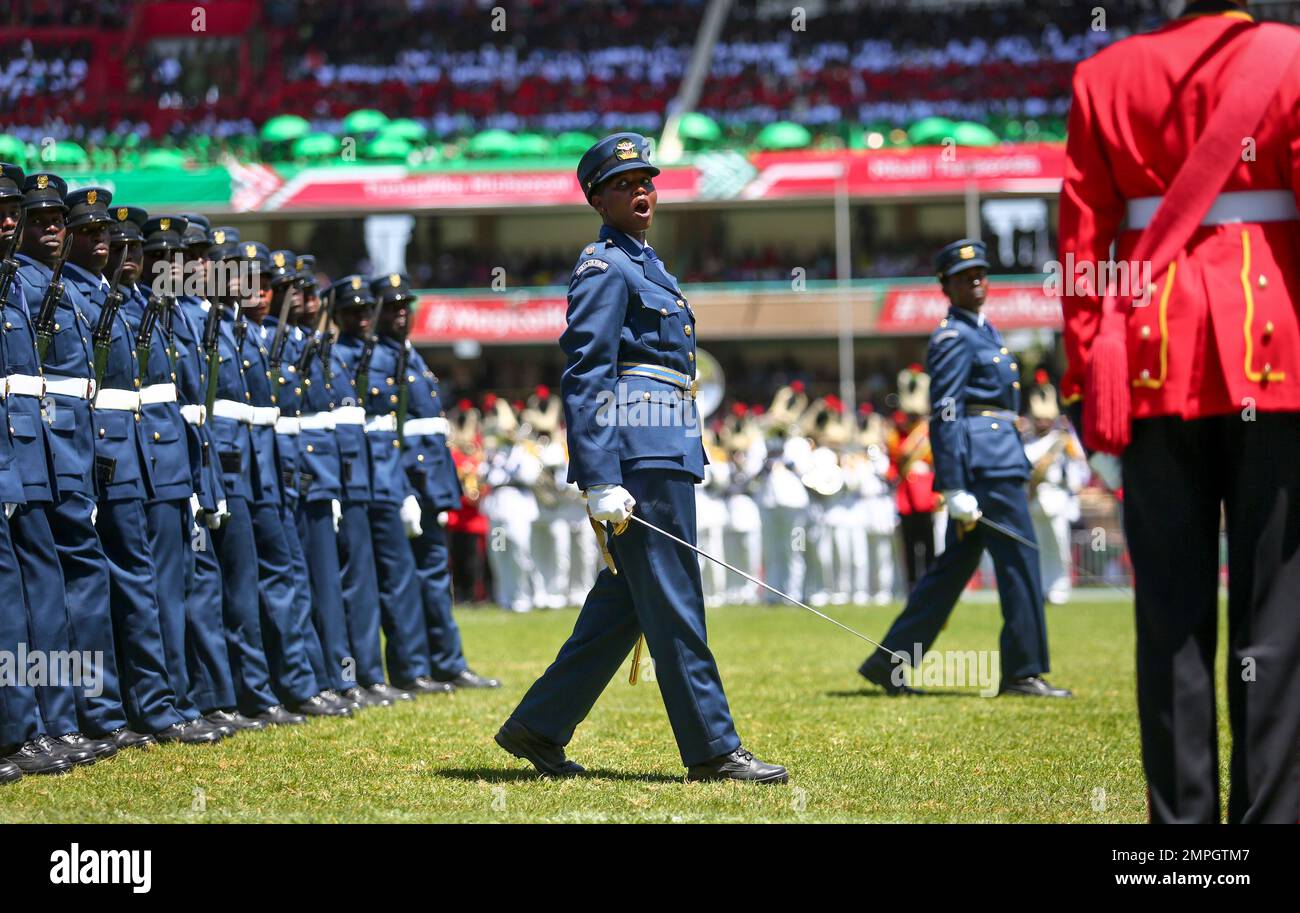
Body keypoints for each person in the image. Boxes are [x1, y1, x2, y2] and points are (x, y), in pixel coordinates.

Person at [1059, 0, 1300, 822]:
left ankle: (1183, 849)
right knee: (1277, 624)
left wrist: (1093, 372)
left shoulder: (1106, 74)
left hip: (1152, 362)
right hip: (1275, 363)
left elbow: (1082, 251)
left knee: (1169, 624)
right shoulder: (1290, 58)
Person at [495, 132, 786, 782]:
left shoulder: (648, 265)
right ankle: (712, 748)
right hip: (638, 452)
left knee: (625, 603)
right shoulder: (605, 267)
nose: (641, 191)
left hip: (666, 443)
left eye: (647, 180)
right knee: (675, 597)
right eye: (624, 184)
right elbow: (586, 374)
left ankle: (537, 726)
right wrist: (599, 475)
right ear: (598, 198)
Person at [857, 240, 1070, 700]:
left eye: (981, 275)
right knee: (1019, 561)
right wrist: (952, 484)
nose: (976, 282)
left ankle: (888, 662)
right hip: (984, 465)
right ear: (946, 286)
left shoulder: (983, 332)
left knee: (951, 570)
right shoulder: (955, 336)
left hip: (994, 459)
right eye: (964, 277)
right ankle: (1022, 670)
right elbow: (947, 410)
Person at [371, 273, 499, 688]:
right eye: (390, 307)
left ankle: (446, 662)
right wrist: (402, 489)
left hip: (428, 484)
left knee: (433, 574)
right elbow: (382, 431)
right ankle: (411, 669)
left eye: (404, 306)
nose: (399, 314)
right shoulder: (376, 359)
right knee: (404, 579)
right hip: (403, 484)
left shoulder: (410, 355)